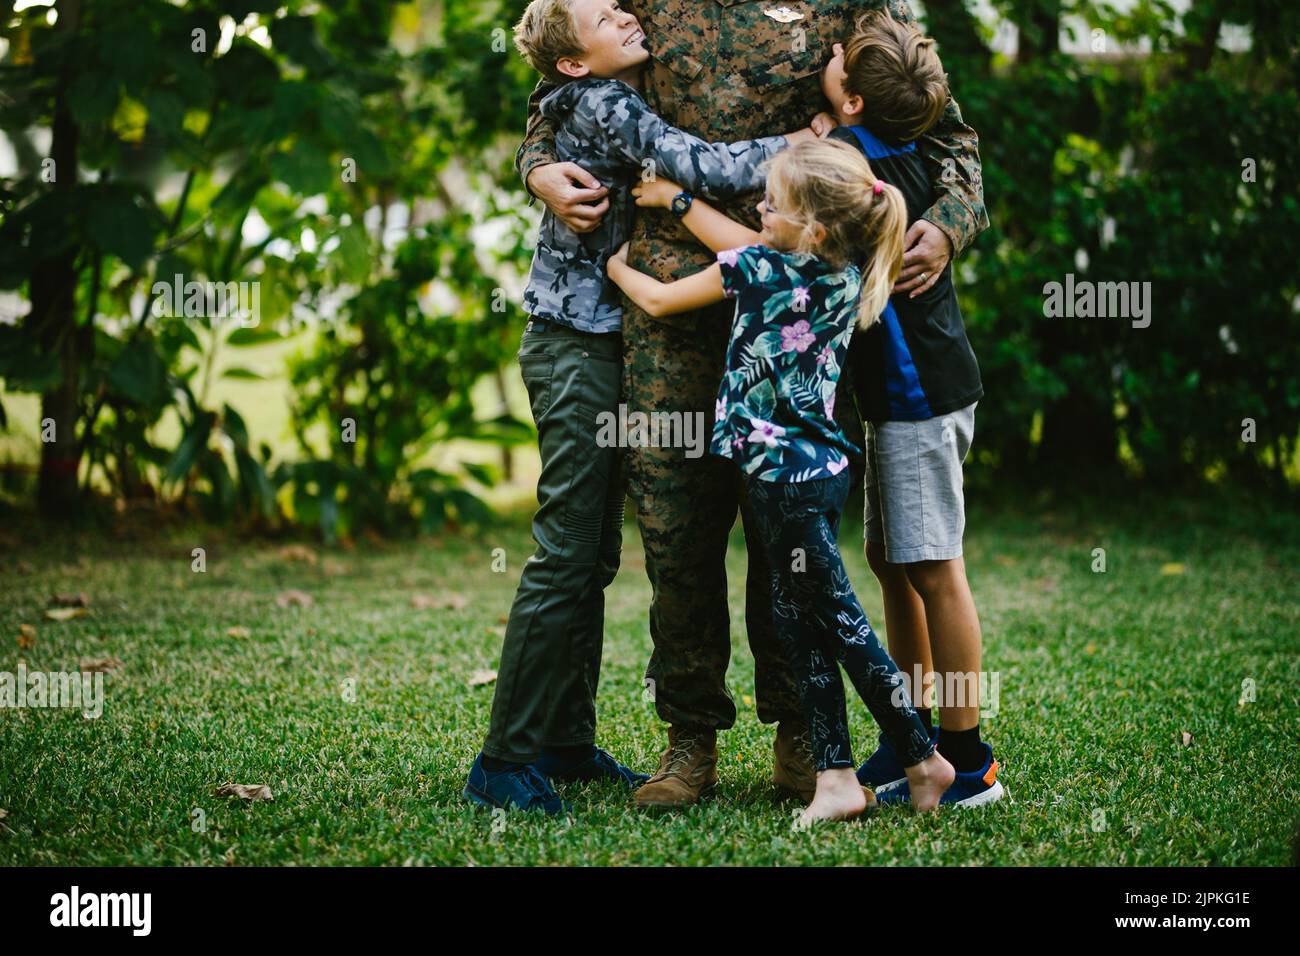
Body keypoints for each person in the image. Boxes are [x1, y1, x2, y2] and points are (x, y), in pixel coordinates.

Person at [517, 0, 988, 810]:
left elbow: (943, 128)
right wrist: (537, 171)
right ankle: (689, 737)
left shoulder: (859, 8)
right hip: (671, 287)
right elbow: (557, 95)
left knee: (791, 534)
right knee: (674, 523)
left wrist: (947, 227)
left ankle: (806, 734)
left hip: (803, 288)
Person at [464, 0, 826, 815]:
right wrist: (805, 147)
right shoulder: (604, 98)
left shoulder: (591, 88)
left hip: (600, 334)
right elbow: (697, 164)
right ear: (574, 58)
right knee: (566, 552)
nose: (627, 13)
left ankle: (563, 740)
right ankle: (503, 758)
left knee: (592, 553)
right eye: (606, 12)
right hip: (578, 341)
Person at [607, 137, 955, 822]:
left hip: (783, 479)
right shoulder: (843, 267)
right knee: (801, 628)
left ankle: (923, 756)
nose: (761, 207)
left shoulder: (763, 269)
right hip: (812, 471)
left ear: (811, 228)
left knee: (843, 625)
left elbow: (660, 299)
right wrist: (680, 200)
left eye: (774, 203)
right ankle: (834, 779)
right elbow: (743, 236)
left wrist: (618, 267)